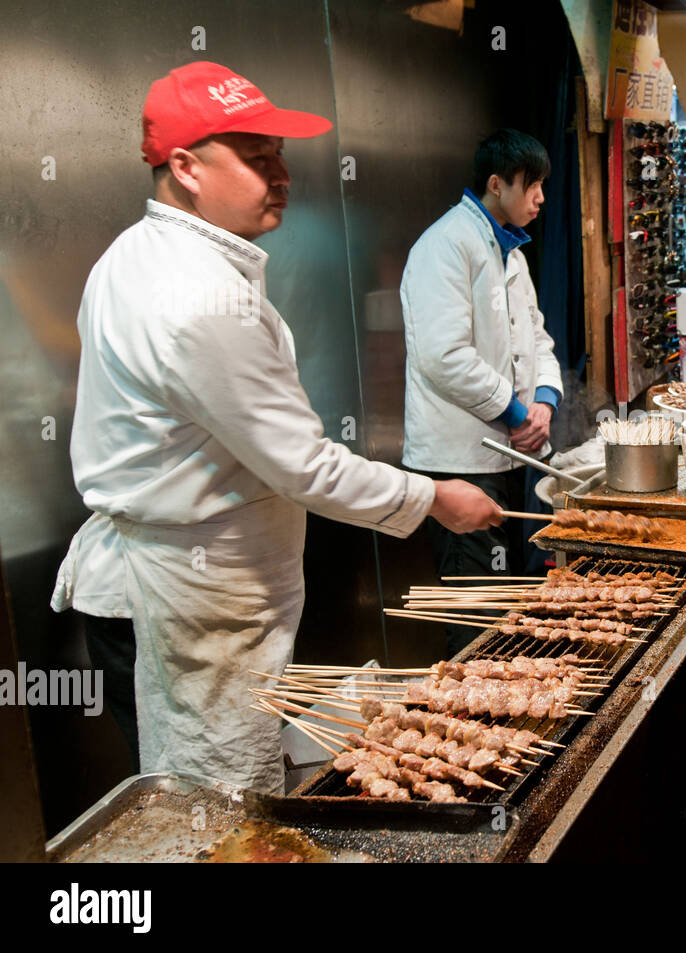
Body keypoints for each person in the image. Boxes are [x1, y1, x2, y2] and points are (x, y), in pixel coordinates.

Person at [49, 62, 502, 793]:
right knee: (217, 809)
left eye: (280, 154)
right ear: (187, 167)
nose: (282, 174)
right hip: (183, 607)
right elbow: (303, 465)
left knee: (200, 797)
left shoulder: (139, 255)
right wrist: (434, 498)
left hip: (178, 592)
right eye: (259, 160)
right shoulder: (194, 297)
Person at [400, 129, 563, 650]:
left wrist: (544, 400)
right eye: (531, 185)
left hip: (509, 457)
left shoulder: (510, 252)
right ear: (497, 185)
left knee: (513, 605)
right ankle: (471, 720)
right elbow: (443, 356)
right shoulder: (445, 245)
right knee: (476, 616)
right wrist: (516, 413)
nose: (540, 197)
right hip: (460, 463)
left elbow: (536, 335)